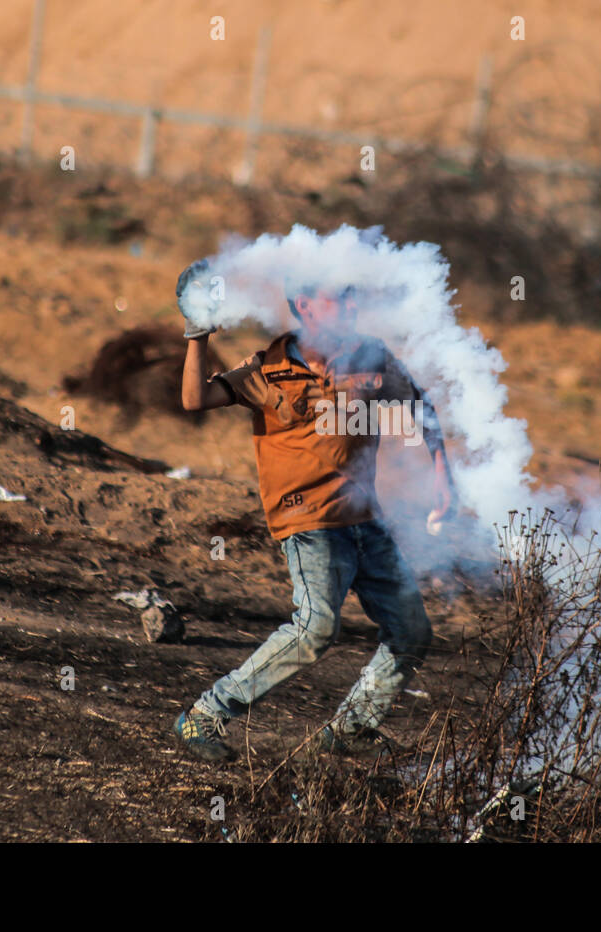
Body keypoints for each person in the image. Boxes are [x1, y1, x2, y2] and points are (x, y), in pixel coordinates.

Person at [172, 261, 456, 762]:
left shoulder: (371, 358)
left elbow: (421, 407)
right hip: (309, 524)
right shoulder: (268, 369)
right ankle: (205, 715)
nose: (349, 305)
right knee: (316, 629)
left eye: (351, 295)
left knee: (412, 634)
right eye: (336, 297)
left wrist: (442, 477)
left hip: (366, 521)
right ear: (303, 306)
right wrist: (197, 334)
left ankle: (346, 732)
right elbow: (194, 399)